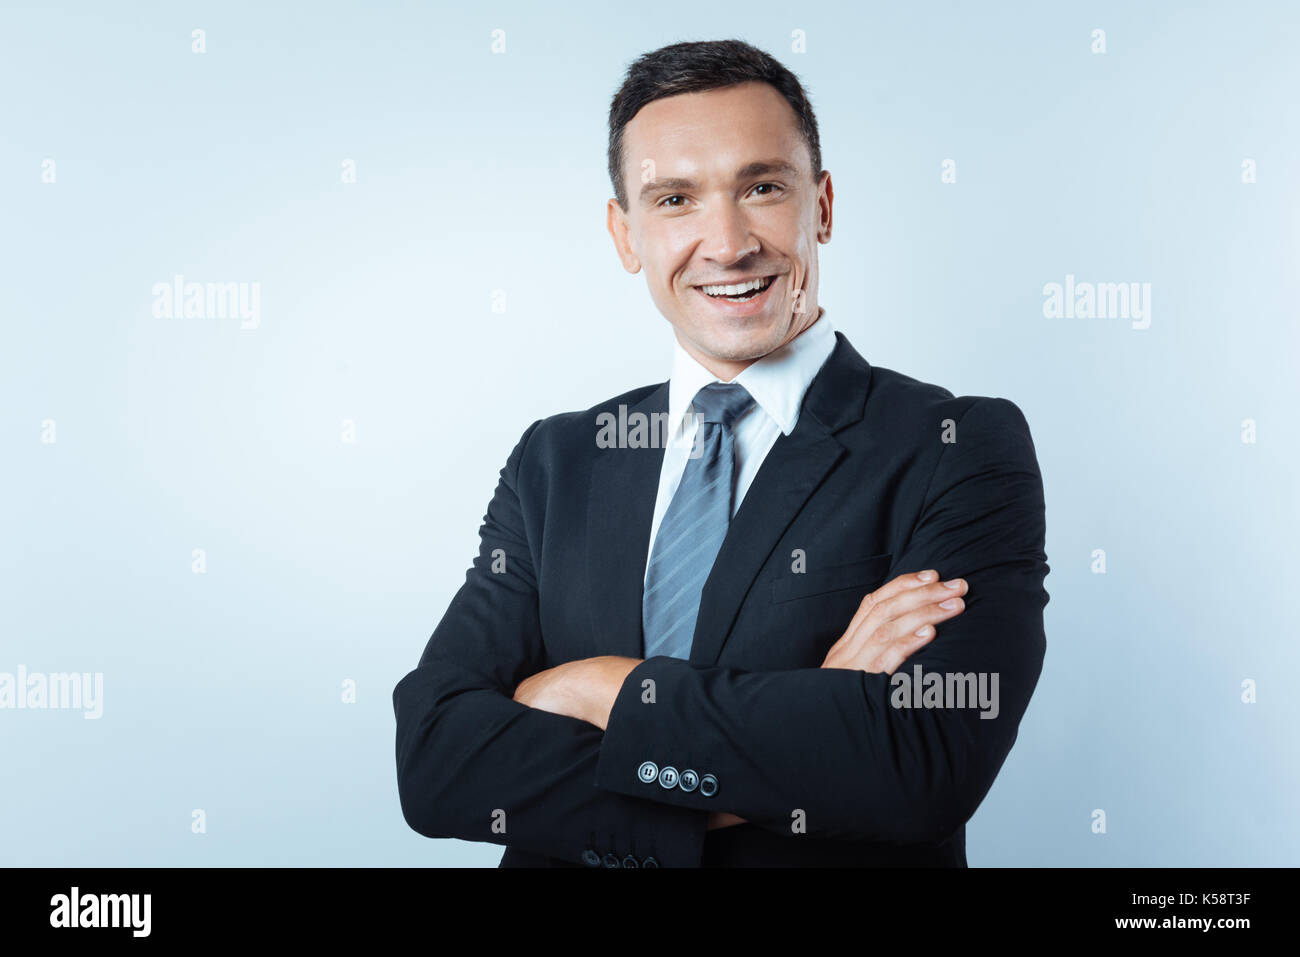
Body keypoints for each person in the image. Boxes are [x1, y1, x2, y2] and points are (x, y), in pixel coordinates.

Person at [392, 38, 1049, 867]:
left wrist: (597, 686)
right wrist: (825, 702)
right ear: (624, 234)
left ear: (824, 206)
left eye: (763, 187)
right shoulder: (557, 461)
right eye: (675, 200)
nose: (729, 242)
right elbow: (438, 761)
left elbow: (917, 764)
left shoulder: (954, 447)